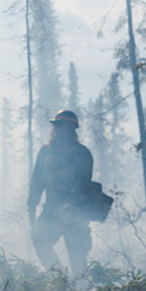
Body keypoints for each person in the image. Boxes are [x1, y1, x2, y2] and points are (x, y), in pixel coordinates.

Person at [27, 110, 96, 274]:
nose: (57, 129)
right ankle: (60, 279)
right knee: (39, 241)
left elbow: (83, 185)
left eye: (61, 126)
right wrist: (32, 203)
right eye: (56, 126)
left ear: (72, 129)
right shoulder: (46, 152)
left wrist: (69, 208)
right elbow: (37, 180)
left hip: (76, 215)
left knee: (78, 261)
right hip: (51, 211)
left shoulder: (83, 154)